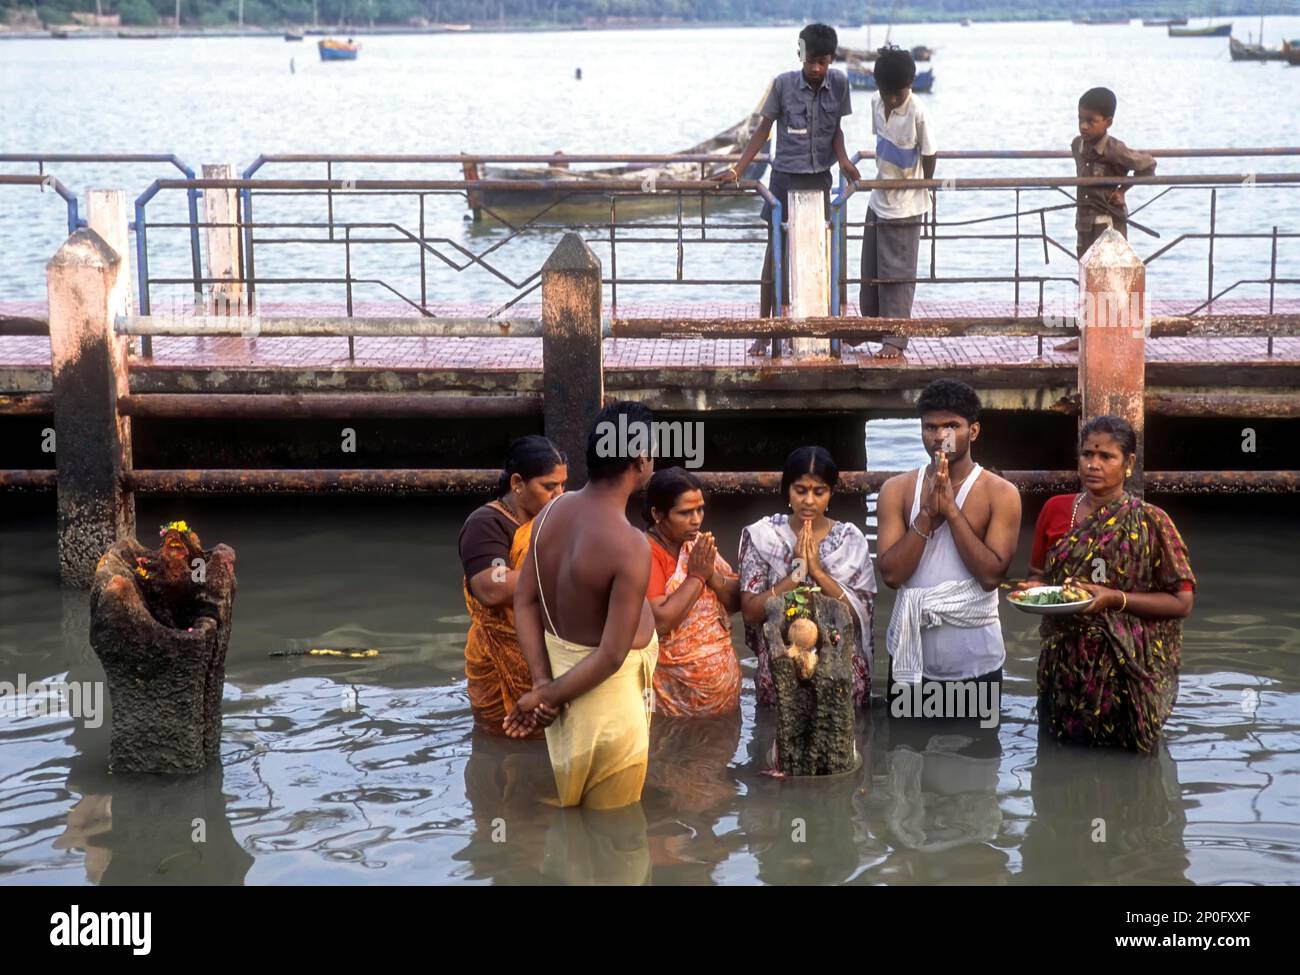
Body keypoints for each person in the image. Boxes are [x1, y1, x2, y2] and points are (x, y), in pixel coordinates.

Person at [506, 402, 659, 810]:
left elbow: (524, 600)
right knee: (616, 845)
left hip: (563, 711)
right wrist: (548, 697)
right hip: (608, 713)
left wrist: (542, 685)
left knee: (577, 832)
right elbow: (610, 655)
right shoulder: (631, 545)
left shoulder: (550, 512)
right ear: (640, 460)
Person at [1024, 415, 1195, 752]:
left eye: (1106, 457)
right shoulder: (1056, 510)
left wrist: (1114, 599)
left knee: (1126, 763)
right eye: (1087, 454)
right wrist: (1034, 592)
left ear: (1128, 463)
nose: (1093, 464)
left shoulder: (1152, 521)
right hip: (1064, 666)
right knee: (1060, 758)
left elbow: (1181, 602)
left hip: (1128, 670)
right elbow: (1036, 574)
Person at [875, 380, 1021, 719]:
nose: (940, 436)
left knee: (978, 761)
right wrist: (927, 515)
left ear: (974, 430)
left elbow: (990, 576)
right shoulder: (896, 490)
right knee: (906, 756)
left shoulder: (1000, 493)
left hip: (976, 662)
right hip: (911, 664)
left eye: (952, 425)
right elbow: (893, 576)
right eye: (931, 427)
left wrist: (952, 512)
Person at [712, 23, 860, 349]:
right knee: (774, 256)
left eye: (823, 62)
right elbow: (762, 131)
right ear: (800, 57)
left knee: (818, 254)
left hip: (819, 179)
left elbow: (836, 129)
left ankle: (820, 328)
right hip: (783, 180)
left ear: (831, 59)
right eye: (811, 62)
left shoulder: (839, 84)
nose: (817, 69)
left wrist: (845, 161)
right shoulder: (782, 85)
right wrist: (738, 170)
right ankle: (766, 332)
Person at [738, 446, 876, 708]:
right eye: (801, 490)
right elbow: (750, 612)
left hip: (840, 674)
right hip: (781, 673)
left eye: (819, 491)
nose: (809, 500)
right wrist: (797, 575)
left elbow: (861, 616)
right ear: (787, 491)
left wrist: (818, 573)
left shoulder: (849, 540)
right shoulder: (764, 537)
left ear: (831, 493)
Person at [457, 436, 567, 736]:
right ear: (517, 483)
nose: (559, 495)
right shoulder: (487, 524)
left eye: (562, 486)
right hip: (498, 662)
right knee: (501, 746)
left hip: (553, 659)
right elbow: (492, 586)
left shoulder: (557, 519)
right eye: (549, 487)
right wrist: (567, 574)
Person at [1058, 86, 1157, 351]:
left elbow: (1148, 166)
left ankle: (1112, 339)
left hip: (1109, 224)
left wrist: (1122, 190)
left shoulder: (1115, 150)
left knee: (1110, 281)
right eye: (1080, 119)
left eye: (1091, 121)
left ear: (1108, 122)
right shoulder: (1077, 145)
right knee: (1087, 278)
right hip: (1084, 222)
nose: (1083, 126)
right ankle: (1086, 336)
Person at [643, 467, 742, 718]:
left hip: (723, 705)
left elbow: (736, 600)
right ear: (657, 514)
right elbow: (660, 621)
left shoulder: (697, 546)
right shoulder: (647, 552)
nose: (696, 520)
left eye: (700, 509)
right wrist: (697, 576)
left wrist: (711, 575)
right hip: (673, 708)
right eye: (685, 513)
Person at [859, 45, 937, 359]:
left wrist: (924, 186)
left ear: (910, 84)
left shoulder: (918, 110)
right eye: (888, 92)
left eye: (899, 93)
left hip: (907, 203)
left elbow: (930, 155)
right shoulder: (876, 102)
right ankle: (875, 327)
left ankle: (896, 339)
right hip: (879, 197)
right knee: (872, 270)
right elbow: (881, 143)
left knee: (898, 273)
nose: (893, 99)